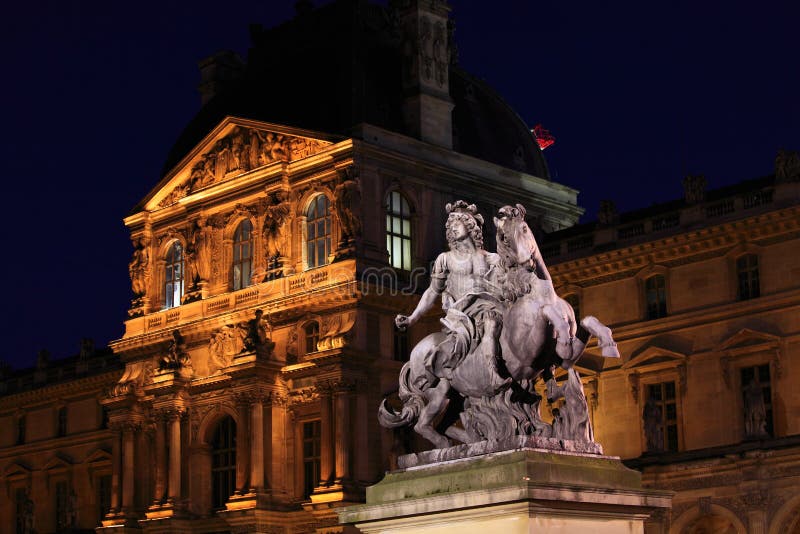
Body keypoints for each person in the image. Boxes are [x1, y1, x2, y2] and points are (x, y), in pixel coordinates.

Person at [395, 201, 510, 396]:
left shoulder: (491, 258)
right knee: (490, 325)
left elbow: (505, 286)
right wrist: (412, 318)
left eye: (457, 223)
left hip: (489, 308)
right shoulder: (446, 259)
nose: (452, 228)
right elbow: (432, 291)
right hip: (462, 315)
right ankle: (492, 375)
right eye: (450, 226)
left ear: (470, 225)